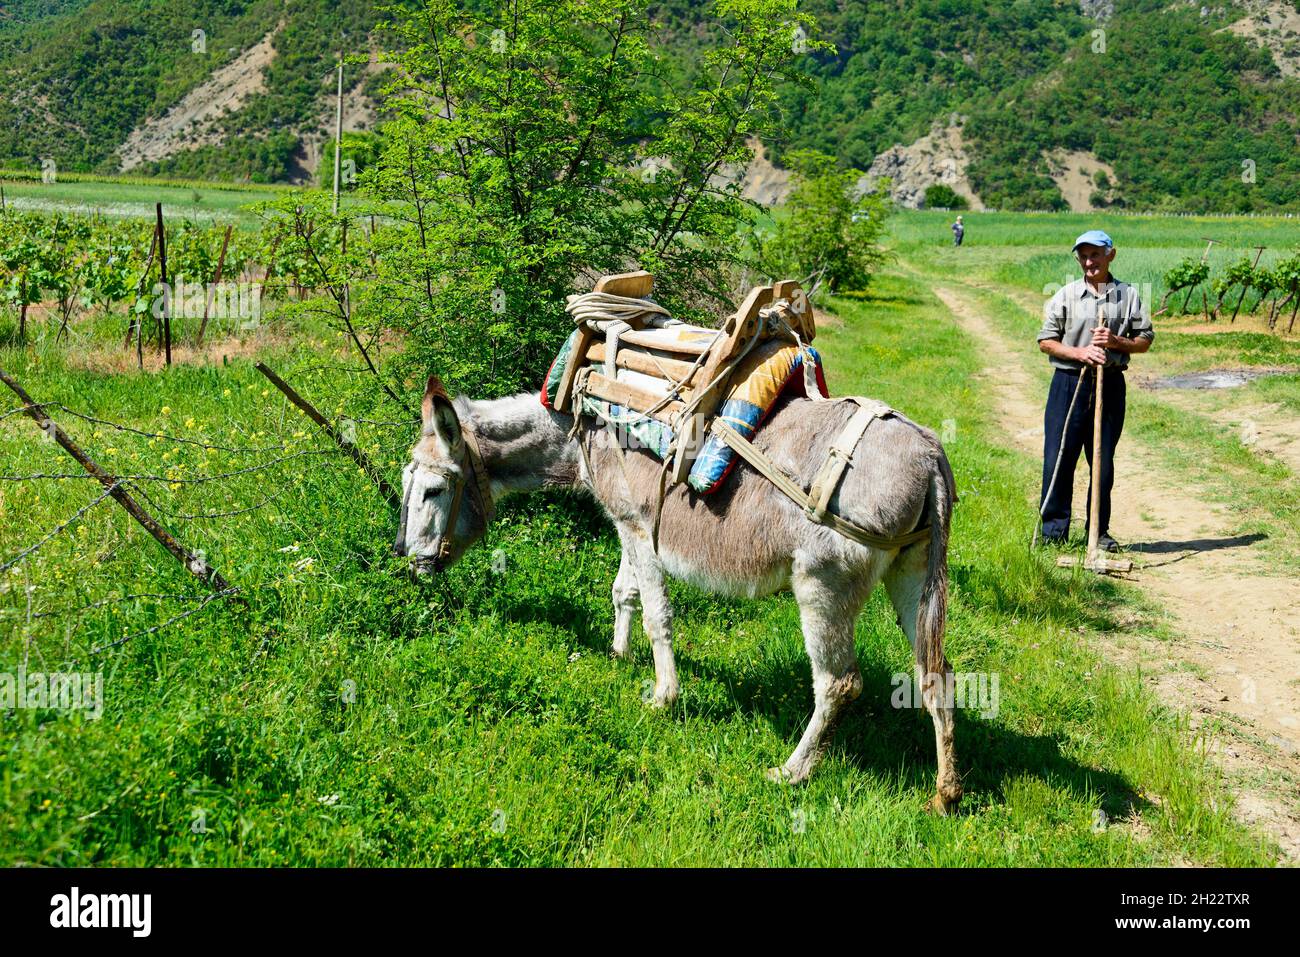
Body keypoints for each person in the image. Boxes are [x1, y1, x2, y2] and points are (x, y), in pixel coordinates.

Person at [1036, 230, 1154, 550]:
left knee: (1102, 462)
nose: (1089, 262)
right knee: (1058, 460)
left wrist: (1116, 343)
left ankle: (1098, 533)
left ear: (1110, 255)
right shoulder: (1066, 295)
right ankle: (1052, 534)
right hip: (1068, 384)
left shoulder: (1128, 296)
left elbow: (1144, 340)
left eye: (1096, 255)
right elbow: (1046, 342)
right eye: (1084, 256)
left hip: (1111, 384)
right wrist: (1081, 353)